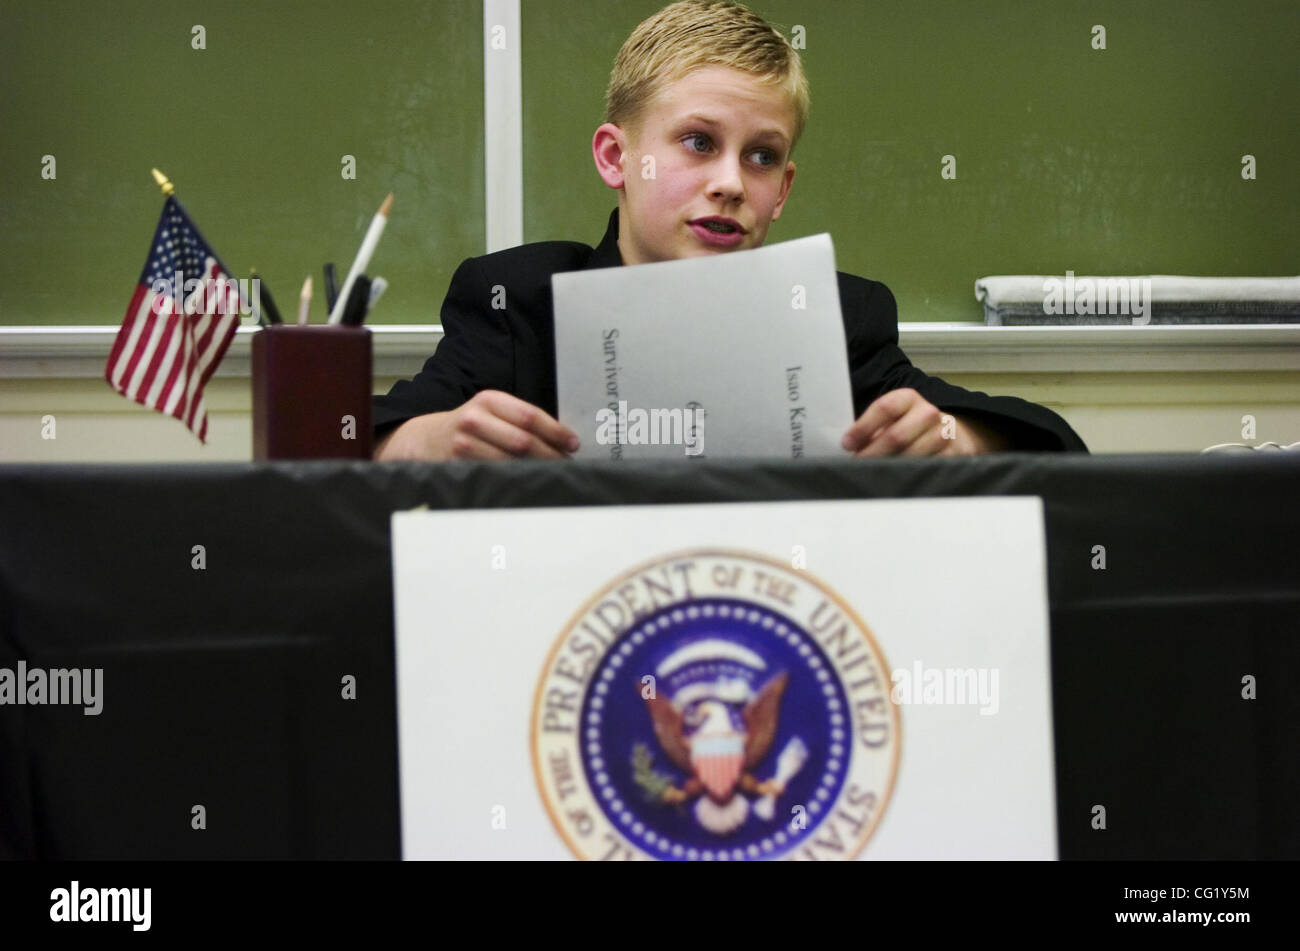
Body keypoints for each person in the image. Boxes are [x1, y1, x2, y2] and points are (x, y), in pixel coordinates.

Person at [373, 0, 1087, 461]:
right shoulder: (515, 301)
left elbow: (1054, 444)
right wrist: (423, 440)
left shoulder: (836, 315)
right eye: (697, 142)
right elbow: (339, 451)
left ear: (783, 191)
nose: (729, 182)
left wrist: (957, 437)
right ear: (618, 157)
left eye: (763, 157)